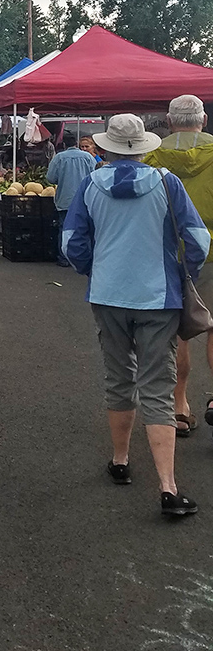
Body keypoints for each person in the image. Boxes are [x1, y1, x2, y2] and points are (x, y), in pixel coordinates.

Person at [63, 114, 210, 518]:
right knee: (157, 383)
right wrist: (187, 271)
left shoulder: (92, 184)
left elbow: (71, 241)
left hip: (108, 295)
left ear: (106, 147)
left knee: (118, 375)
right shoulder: (166, 183)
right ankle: (168, 486)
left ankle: (121, 461)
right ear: (145, 147)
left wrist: (95, 268)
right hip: (158, 297)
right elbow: (197, 238)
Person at [144, 94, 213, 438]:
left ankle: (179, 406)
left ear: (169, 122)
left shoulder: (152, 157)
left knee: (178, 331)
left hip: (169, 255)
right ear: (204, 120)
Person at [46, 134, 96, 265]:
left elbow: (50, 178)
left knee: (64, 228)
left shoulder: (58, 158)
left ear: (64, 145)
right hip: (86, 199)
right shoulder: (88, 157)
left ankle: (64, 258)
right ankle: (84, 257)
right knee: (85, 228)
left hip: (65, 199)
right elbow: (96, 175)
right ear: (76, 144)